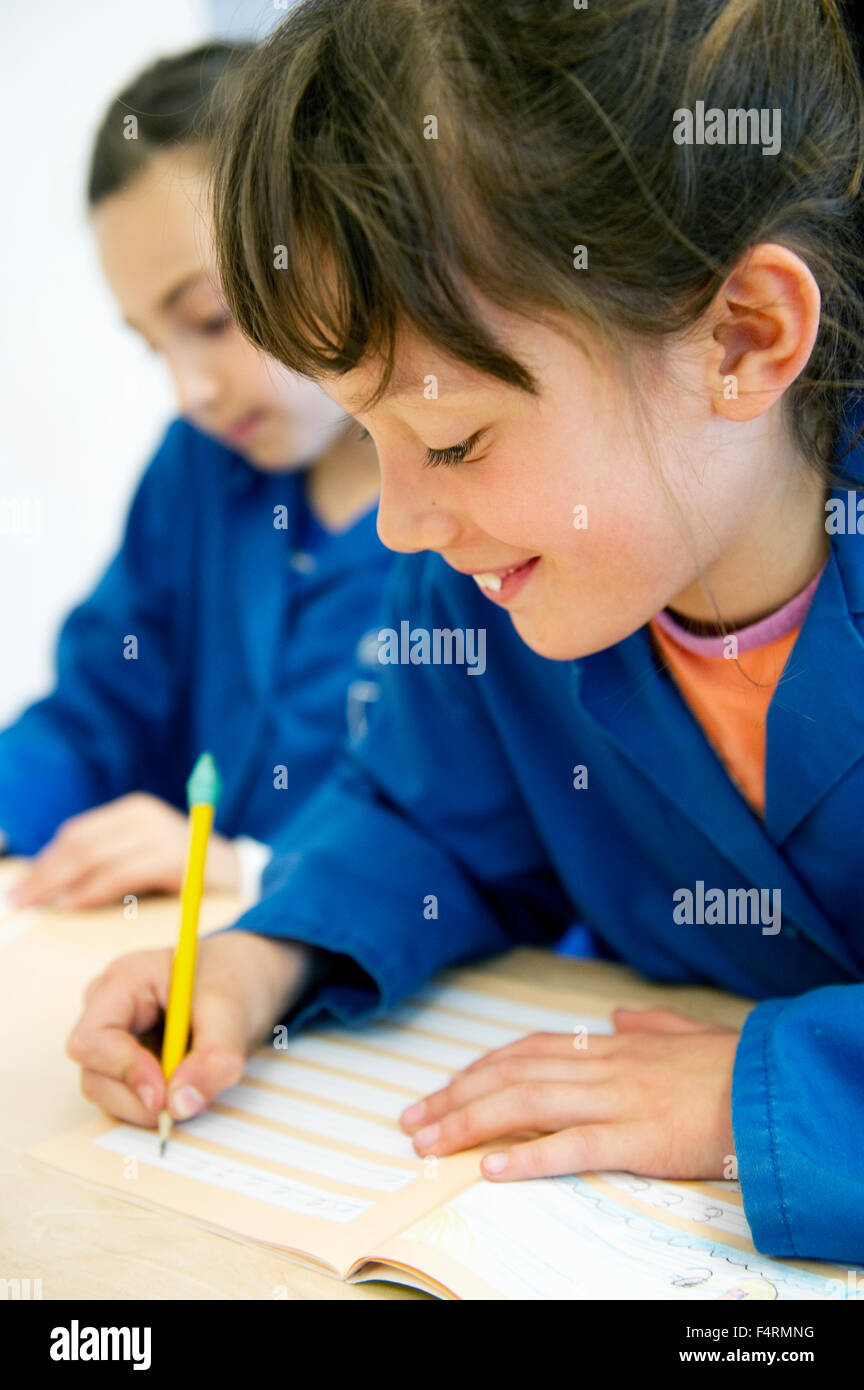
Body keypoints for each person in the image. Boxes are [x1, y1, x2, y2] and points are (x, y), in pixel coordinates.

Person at [68, 1, 864, 1263]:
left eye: (453, 440)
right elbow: (428, 819)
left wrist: (768, 1094)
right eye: (367, 434)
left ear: (744, 336)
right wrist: (262, 959)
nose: (396, 522)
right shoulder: (485, 585)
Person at [1, 43, 389, 911]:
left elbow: (488, 842)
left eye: (209, 320)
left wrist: (254, 870)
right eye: (151, 344)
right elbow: (98, 708)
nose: (190, 390)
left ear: (342, 232)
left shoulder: (490, 512)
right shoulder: (199, 472)